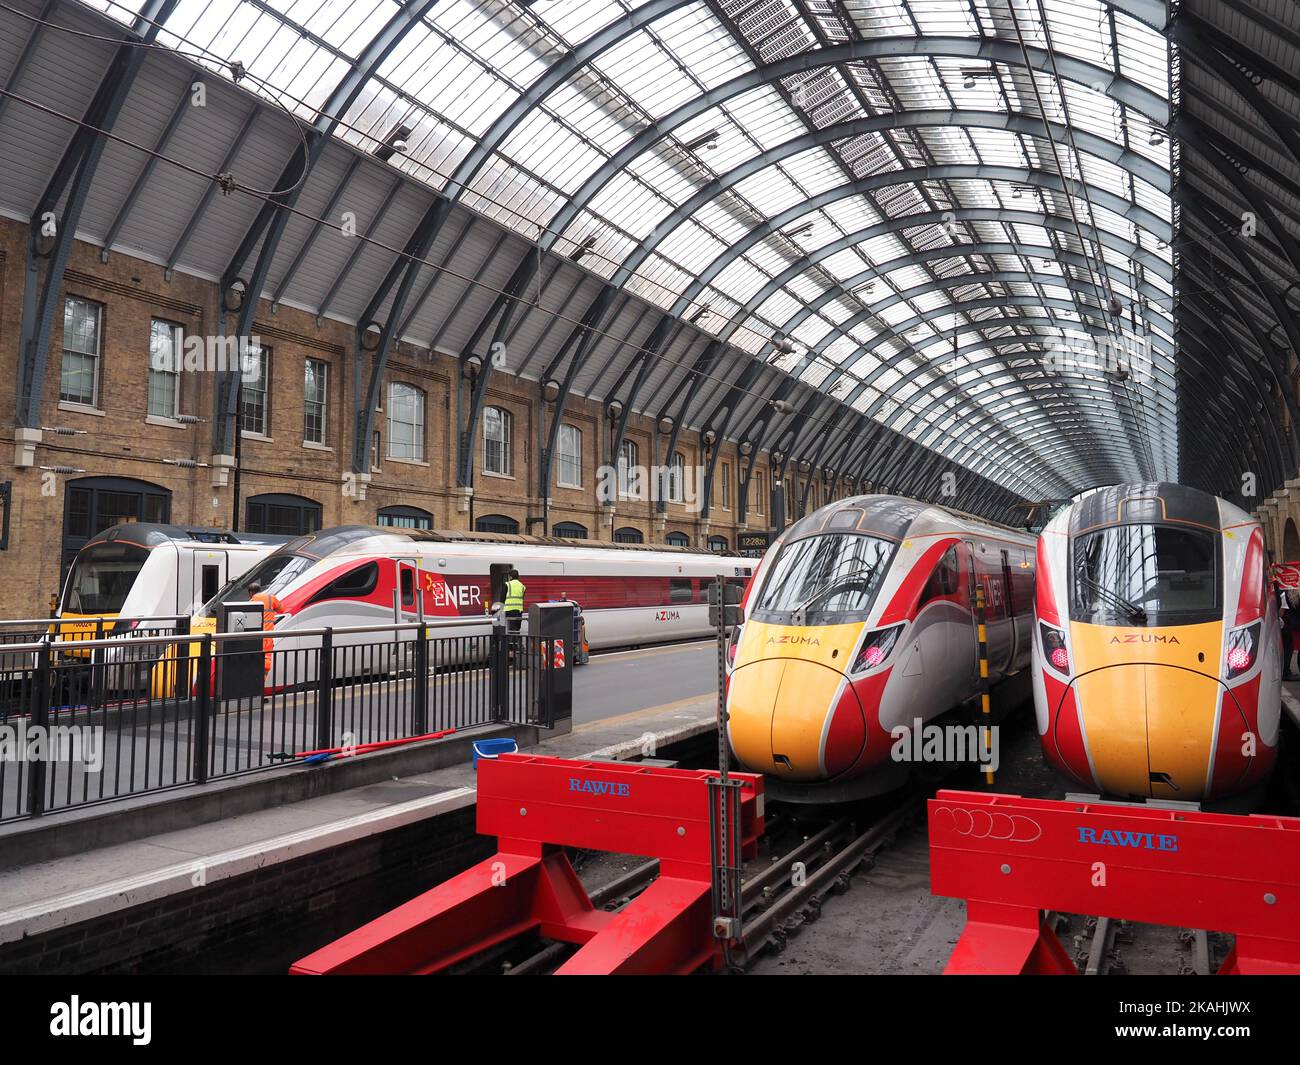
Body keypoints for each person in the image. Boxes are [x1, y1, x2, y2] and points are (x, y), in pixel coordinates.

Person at [247, 581, 284, 676]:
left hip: (255, 637)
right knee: (266, 662)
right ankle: (261, 685)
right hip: (268, 636)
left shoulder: (251, 601)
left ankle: (256, 685)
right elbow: (281, 610)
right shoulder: (271, 598)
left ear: (251, 593)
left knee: (254, 663)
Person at [504, 568, 526, 658]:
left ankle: (510, 651)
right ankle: (517, 650)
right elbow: (522, 598)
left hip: (509, 610)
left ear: (510, 577)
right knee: (517, 630)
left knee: (510, 631)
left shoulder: (507, 584)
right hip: (519, 611)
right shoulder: (522, 586)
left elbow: (501, 599)